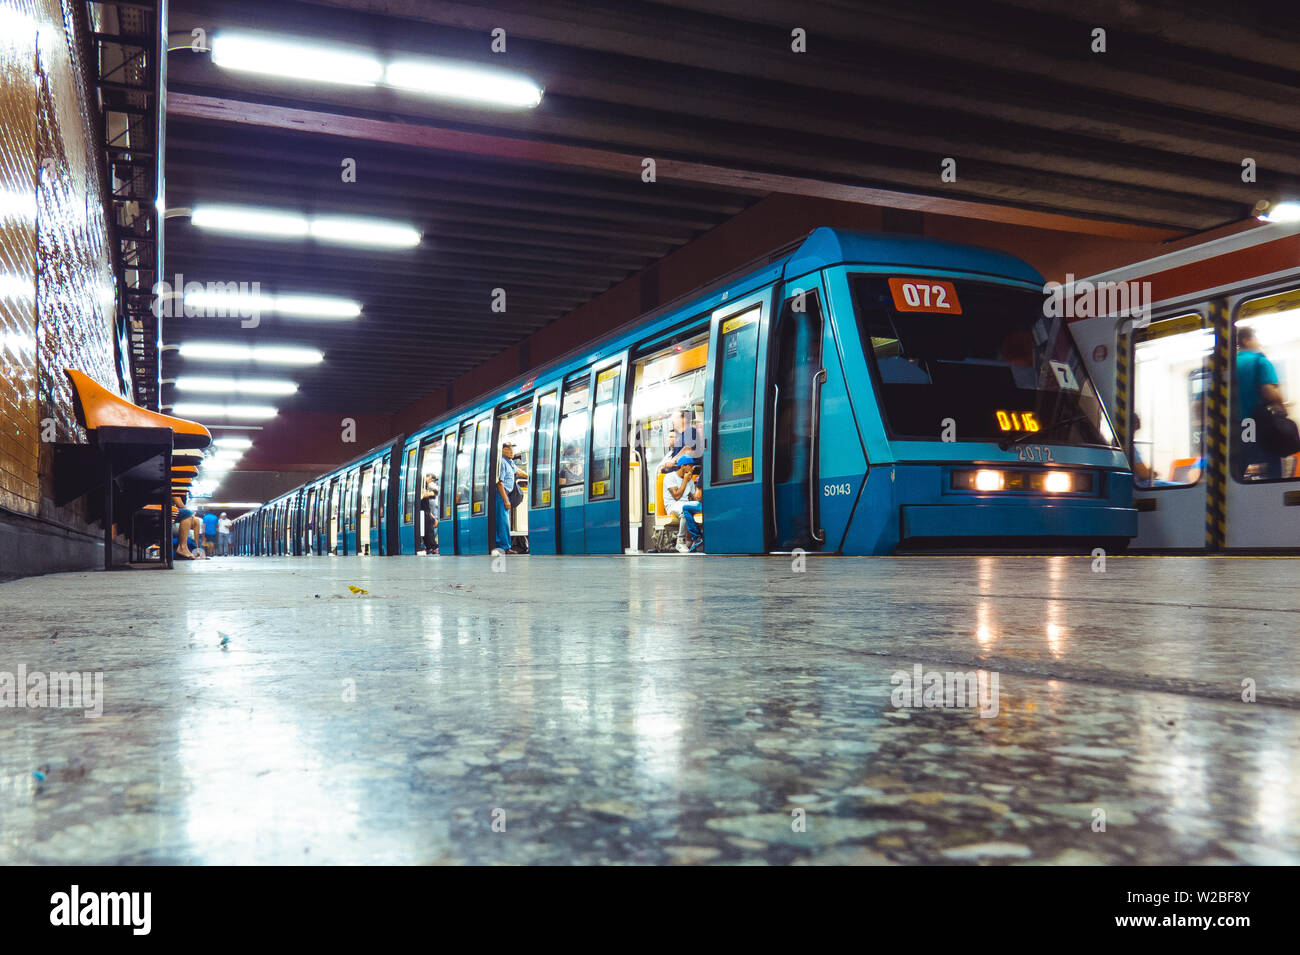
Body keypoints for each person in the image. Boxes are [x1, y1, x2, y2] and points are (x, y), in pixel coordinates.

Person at [1235, 326, 1286, 480]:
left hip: (1240, 425)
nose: (1258, 342)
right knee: (1272, 460)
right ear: (1246, 340)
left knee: (1241, 462)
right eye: (1255, 338)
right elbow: (1268, 391)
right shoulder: (1259, 361)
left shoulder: (1230, 364)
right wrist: (1281, 405)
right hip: (1259, 423)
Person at [494, 442, 527, 555]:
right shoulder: (502, 462)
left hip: (506, 494)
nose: (511, 451)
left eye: (512, 449)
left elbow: (518, 471)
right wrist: (505, 500)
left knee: (504, 521)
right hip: (501, 495)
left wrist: (530, 475)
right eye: (508, 449)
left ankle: (505, 546)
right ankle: (504, 547)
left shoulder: (510, 462)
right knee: (503, 523)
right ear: (501, 450)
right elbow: (499, 483)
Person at [662, 461, 701, 553]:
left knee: (691, 508)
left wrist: (699, 487)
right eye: (690, 466)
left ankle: (690, 541)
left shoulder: (690, 480)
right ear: (683, 466)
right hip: (672, 504)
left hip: (685, 503)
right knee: (684, 511)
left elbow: (694, 497)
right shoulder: (670, 477)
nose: (692, 468)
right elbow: (676, 496)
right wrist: (685, 481)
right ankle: (680, 541)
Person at [419, 474, 440, 555]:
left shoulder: (426, 487)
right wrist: (432, 490)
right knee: (427, 531)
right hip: (422, 513)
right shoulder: (420, 485)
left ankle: (432, 547)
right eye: (431, 480)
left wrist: (433, 516)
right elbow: (424, 494)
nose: (431, 482)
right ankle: (431, 547)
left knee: (430, 529)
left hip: (427, 512)